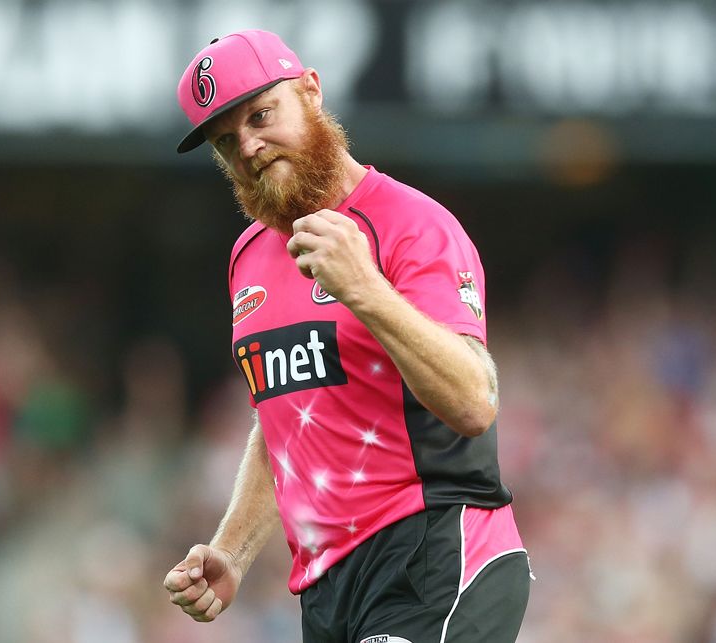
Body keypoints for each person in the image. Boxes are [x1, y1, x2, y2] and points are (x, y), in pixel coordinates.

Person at [164, 30, 531, 643]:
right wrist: (232, 551)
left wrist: (364, 286)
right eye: (226, 141)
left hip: (436, 553)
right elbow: (283, 415)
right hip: (328, 589)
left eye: (261, 115)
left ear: (311, 91)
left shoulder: (413, 224)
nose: (249, 146)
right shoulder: (249, 255)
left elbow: (474, 401)